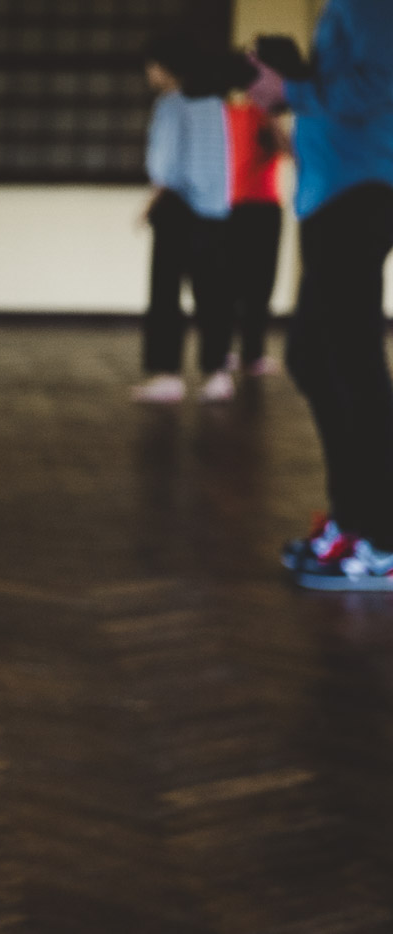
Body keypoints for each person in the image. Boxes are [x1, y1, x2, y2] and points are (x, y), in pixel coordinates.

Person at [247, 1, 393, 590]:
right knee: (313, 356)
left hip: (360, 192)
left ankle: (381, 540)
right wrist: (286, 90)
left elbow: (381, 83)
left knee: (350, 363)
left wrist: (294, 88)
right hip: (332, 193)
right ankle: (353, 520)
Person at [133, 35, 236, 405]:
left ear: (163, 68)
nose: (149, 74)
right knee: (212, 294)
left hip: (178, 208)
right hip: (215, 211)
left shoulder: (171, 105)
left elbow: (165, 166)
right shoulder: (214, 104)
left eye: (151, 67)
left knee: (166, 292)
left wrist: (149, 204)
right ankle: (218, 373)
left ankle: (167, 375)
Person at [225, 89, 285, 377]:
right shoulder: (222, 114)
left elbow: (287, 150)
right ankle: (222, 351)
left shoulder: (267, 116)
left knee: (260, 284)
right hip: (232, 205)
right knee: (229, 283)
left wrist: (272, 119)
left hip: (264, 204)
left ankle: (252, 354)